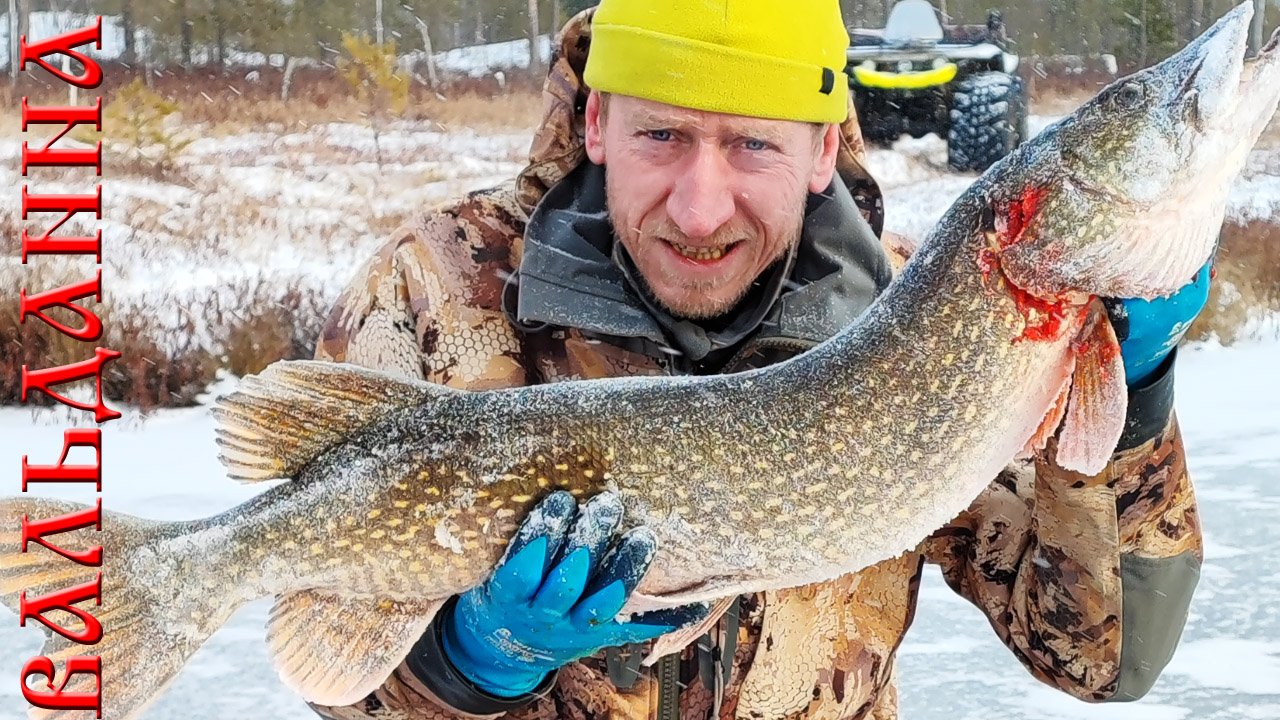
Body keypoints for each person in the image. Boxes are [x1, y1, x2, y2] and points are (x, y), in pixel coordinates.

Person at [308, 1, 1207, 718]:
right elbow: (323, 642)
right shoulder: (433, 289)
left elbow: (1105, 660)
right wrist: (467, 663)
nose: (701, 211)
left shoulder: (932, 328)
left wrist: (1136, 396)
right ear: (594, 122)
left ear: (822, 148)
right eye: (661, 136)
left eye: (753, 145)